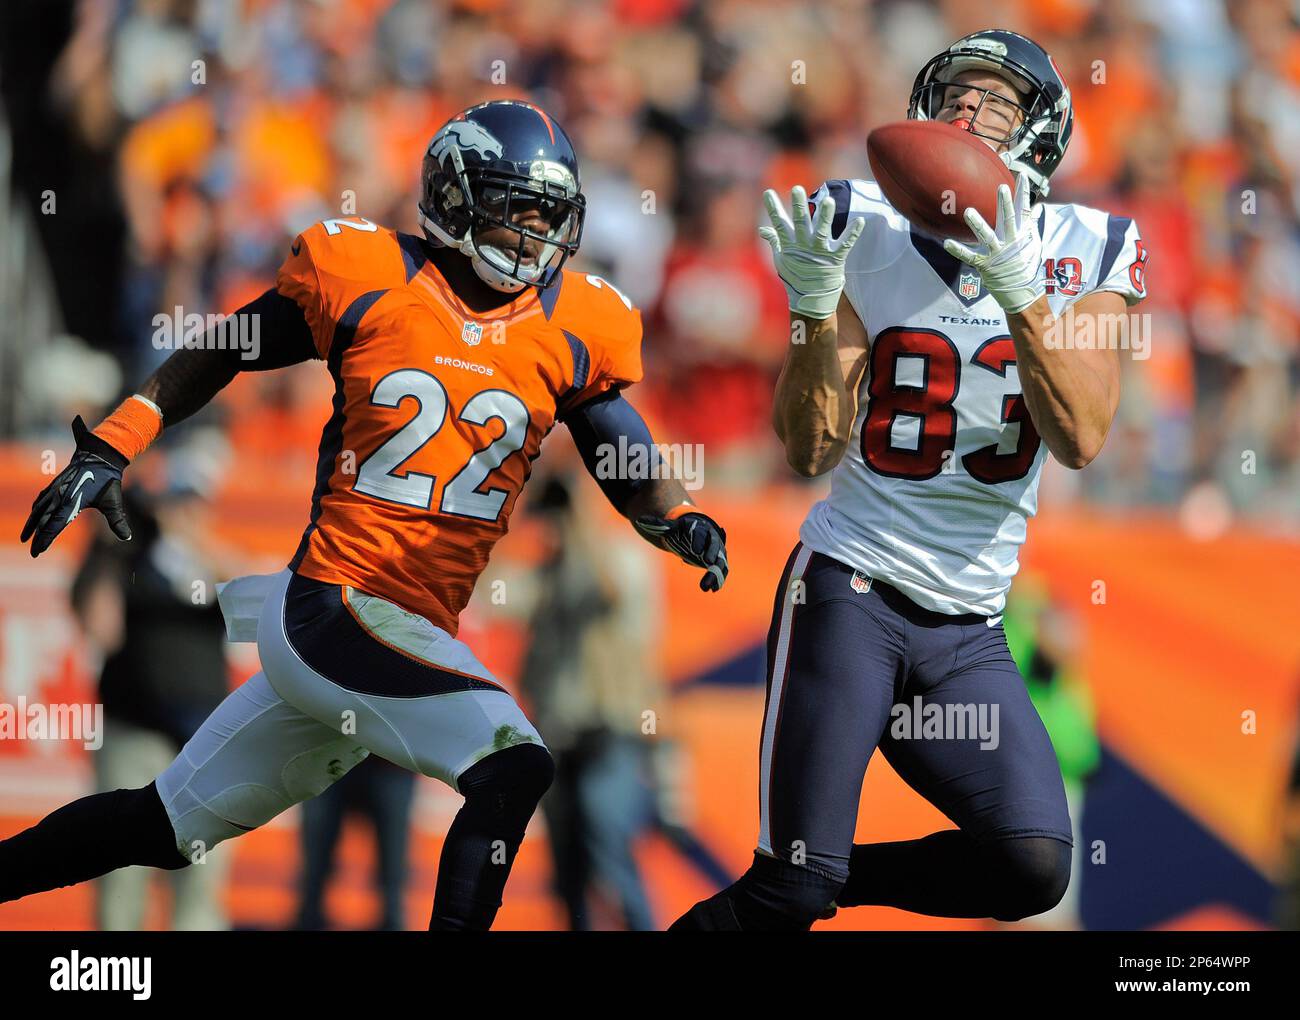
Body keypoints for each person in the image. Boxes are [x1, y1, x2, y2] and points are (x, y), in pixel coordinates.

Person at [5, 99, 729, 931]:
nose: (533, 234)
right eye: (515, 208)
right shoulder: (370, 274)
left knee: (163, 826)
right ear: (455, 197)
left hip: (393, 631)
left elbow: (616, 445)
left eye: (549, 215)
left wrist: (675, 516)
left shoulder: (574, 325)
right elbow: (225, 347)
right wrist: (114, 441)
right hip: (338, 603)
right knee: (515, 765)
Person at [673, 30, 1148, 930]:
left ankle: (825, 879)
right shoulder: (865, 223)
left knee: (1030, 864)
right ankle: (802, 882)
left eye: (996, 99)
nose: (968, 113)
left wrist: (1019, 288)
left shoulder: (1091, 247)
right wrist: (813, 311)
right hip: (852, 590)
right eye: (954, 95)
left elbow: (1083, 433)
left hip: (970, 625)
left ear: (1042, 134)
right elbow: (809, 449)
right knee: (789, 892)